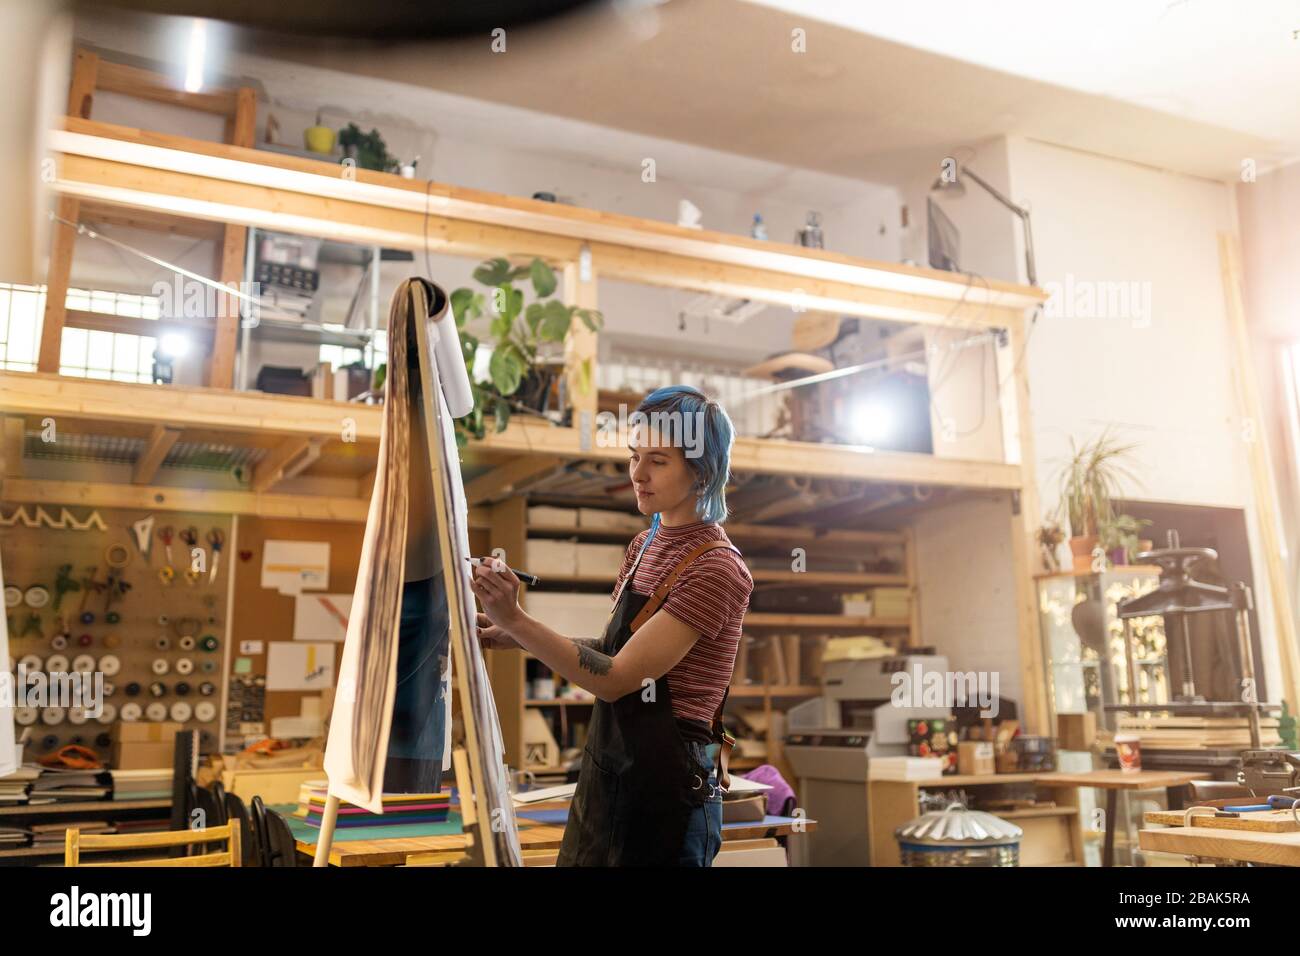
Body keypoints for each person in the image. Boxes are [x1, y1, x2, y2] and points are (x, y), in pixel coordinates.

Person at [471, 385, 753, 866]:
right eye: (634, 455)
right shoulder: (644, 546)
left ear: (702, 472)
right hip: (607, 782)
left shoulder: (716, 568)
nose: (637, 474)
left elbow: (619, 679)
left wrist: (517, 619)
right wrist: (518, 636)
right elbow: (612, 651)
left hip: (665, 797)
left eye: (657, 461)